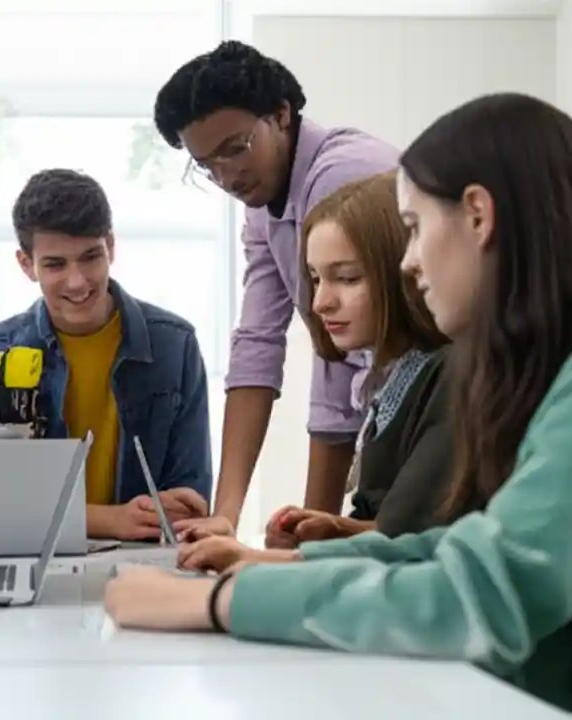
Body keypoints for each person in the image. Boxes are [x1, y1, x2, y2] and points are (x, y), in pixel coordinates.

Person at [104, 92, 572, 711]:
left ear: (478, 215)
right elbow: (463, 549)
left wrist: (220, 603)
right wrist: (286, 566)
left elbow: (481, 595)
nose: (409, 262)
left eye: (416, 228)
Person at [154, 41, 399, 537]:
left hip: (432, 407)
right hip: (387, 411)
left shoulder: (341, 176)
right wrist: (226, 518)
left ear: (281, 115)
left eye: (234, 149)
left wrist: (311, 540)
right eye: (206, 165)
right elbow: (259, 344)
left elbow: (335, 351)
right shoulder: (262, 199)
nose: (224, 176)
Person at [175, 172, 451, 567]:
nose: (320, 302)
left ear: (404, 268)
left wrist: (256, 560)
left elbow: (415, 541)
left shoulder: (449, 376)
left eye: (347, 278)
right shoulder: (394, 378)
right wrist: (334, 528)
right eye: (317, 278)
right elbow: (400, 527)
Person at [0, 169, 212, 541]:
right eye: (55, 264)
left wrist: (178, 506)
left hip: (145, 558)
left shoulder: (175, 345)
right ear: (26, 264)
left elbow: (191, 497)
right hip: (35, 557)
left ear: (110, 247)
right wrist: (109, 520)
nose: (77, 281)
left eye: (90, 257)